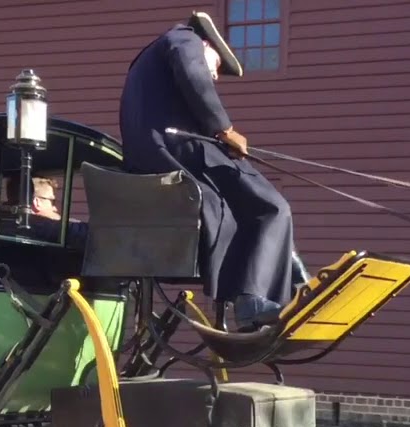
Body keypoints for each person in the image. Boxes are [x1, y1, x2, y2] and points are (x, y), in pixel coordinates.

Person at [119, 11, 305, 329]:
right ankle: (268, 296)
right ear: (207, 44)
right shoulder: (183, 38)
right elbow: (193, 72)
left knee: (245, 210)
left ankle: (288, 286)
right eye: (217, 66)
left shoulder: (146, 66)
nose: (216, 77)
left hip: (157, 158)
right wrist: (223, 129)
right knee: (273, 206)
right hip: (184, 151)